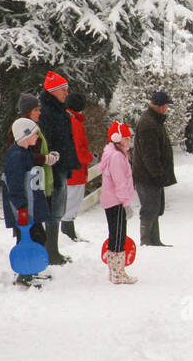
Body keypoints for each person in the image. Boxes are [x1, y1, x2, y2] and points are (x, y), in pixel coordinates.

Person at [2, 118, 57, 287]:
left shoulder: (23, 152)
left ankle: (30, 271)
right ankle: (24, 275)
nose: (37, 137)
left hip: (30, 205)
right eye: (34, 134)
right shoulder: (16, 156)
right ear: (24, 135)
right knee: (29, 238)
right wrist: (21, 208)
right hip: (23, 207)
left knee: (37, 236)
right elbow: (15, 184)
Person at [37, 71, 80, 265]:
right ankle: (51, 252)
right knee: (54, 210)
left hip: (61, 166)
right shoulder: (47, 112)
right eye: (63, 90)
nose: (66, 93)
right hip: (53, 168)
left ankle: (53, 250)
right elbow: (47, 141)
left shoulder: (59, 110)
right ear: (53, 91)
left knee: (58, 209)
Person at [132, 91, 176, 247]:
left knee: (155, 207)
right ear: (161, 106)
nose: (166, 109)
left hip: (148, 175)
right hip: (147, 176)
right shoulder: (149, 124)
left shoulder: (153, 121)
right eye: (166, 106)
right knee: (150, 207)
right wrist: (157, 174)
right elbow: (149, 154)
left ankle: (154, 240)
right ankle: (146, 241)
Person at [98, 121, 137, 284]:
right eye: (126, 138)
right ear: (117, 138)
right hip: (116, 202)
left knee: (116, 234)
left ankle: (115, 271)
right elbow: (120, 182)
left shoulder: (115, 154)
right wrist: (125, 202)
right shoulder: (116, 157)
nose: (129, 141)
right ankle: (117, 272)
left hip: (113, 201)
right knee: (118, 236)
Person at [61, 91, 93, 243]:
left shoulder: (67, 120)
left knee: (69, 202)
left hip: (70, 170)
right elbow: (78, 149)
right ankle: (67, 234)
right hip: (76, 171)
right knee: (72, 202)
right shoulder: (75, 124)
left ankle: (68, 233)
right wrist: (89, 157)